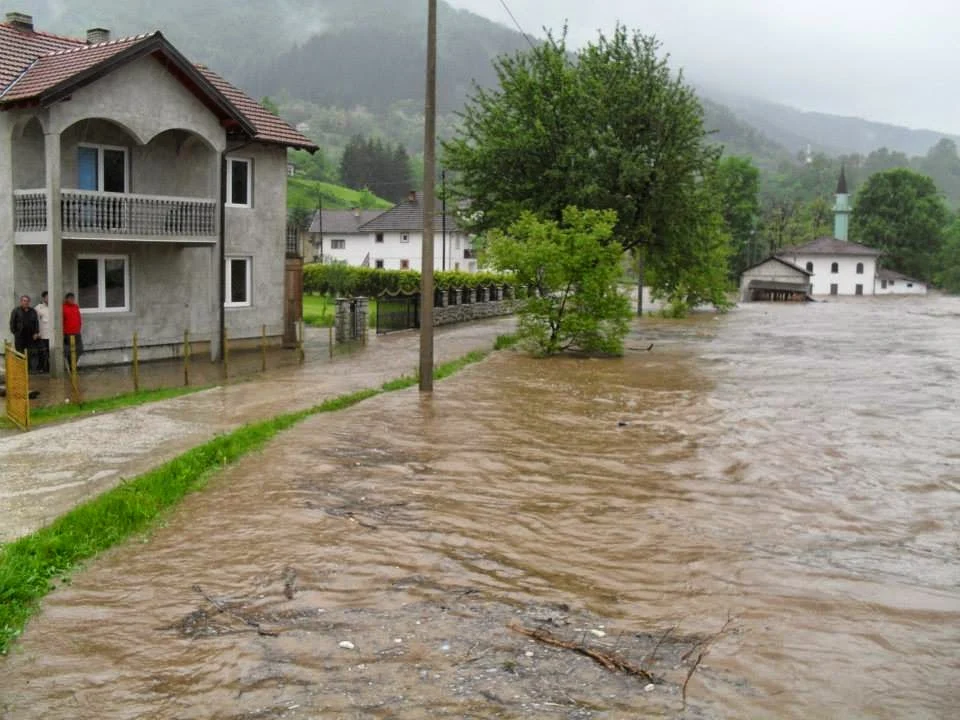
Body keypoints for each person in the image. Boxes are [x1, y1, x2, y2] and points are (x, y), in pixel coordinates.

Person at [8, 295, 39, 362]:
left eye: (27, 301)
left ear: (29, 302)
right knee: (19, 352)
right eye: (24, 301)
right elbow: (12, 322)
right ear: (21, 301)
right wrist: (15, 333)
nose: (26, 302)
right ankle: (20, 369)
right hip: (20, 336)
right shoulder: (16, 310)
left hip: (30, 336)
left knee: (30, 353)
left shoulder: (33, 311)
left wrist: (36, 332)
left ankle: (28, 370)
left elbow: (36, 322)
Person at [62, 292, 83, 371]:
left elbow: (79, 318)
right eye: (70, 298)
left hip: (77, 332)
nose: (72, 300)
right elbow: (61, 320)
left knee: (80, 349)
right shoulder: (63, 307)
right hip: (67, 333)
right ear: (66, 299)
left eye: (73, 298)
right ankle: (71, 367)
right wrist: (63, 332)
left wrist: (79, 327)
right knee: (68, 351)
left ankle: (73, 365)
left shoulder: (76, 307)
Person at [34, 291, 51, 373]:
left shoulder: (54, 307)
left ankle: (48, 368)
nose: (49, 298)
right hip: (42, 334)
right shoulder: (38, 308)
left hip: (52, 335)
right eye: (47, 297)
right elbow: (34, 321)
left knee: (50, 352)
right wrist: (36, 332)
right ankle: (40, 368)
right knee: (41, 352)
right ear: (44, 298)